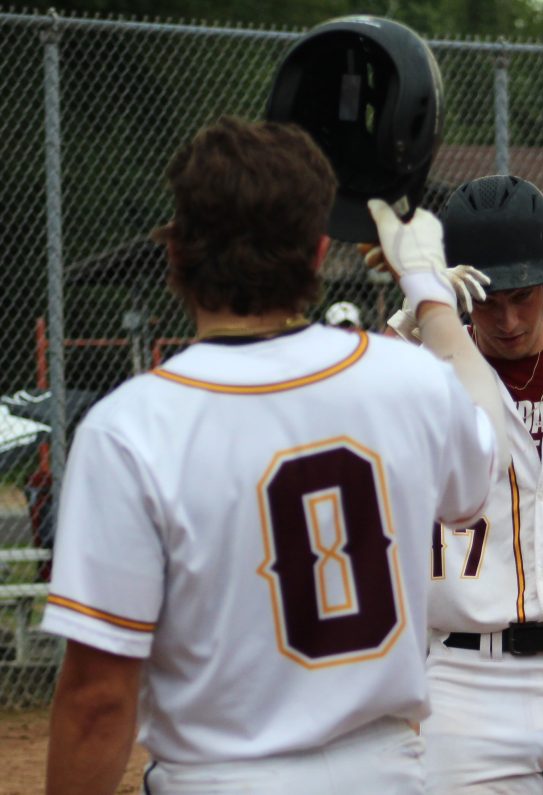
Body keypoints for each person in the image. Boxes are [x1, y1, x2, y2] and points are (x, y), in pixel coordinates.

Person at [41, 116, 508, 795]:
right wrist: (427, 288)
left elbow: (97, 698)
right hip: (386, 771)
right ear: (320, 253)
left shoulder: (129, 426)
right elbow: (482, 456)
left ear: (173, 252)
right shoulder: (405, 381)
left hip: (220, 777)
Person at [381, 174, 543, 794]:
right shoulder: (420, 375)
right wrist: (413, 318)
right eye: (487, 299)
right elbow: (338, 422)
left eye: (522, 296)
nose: (505, 319)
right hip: (468, 680)